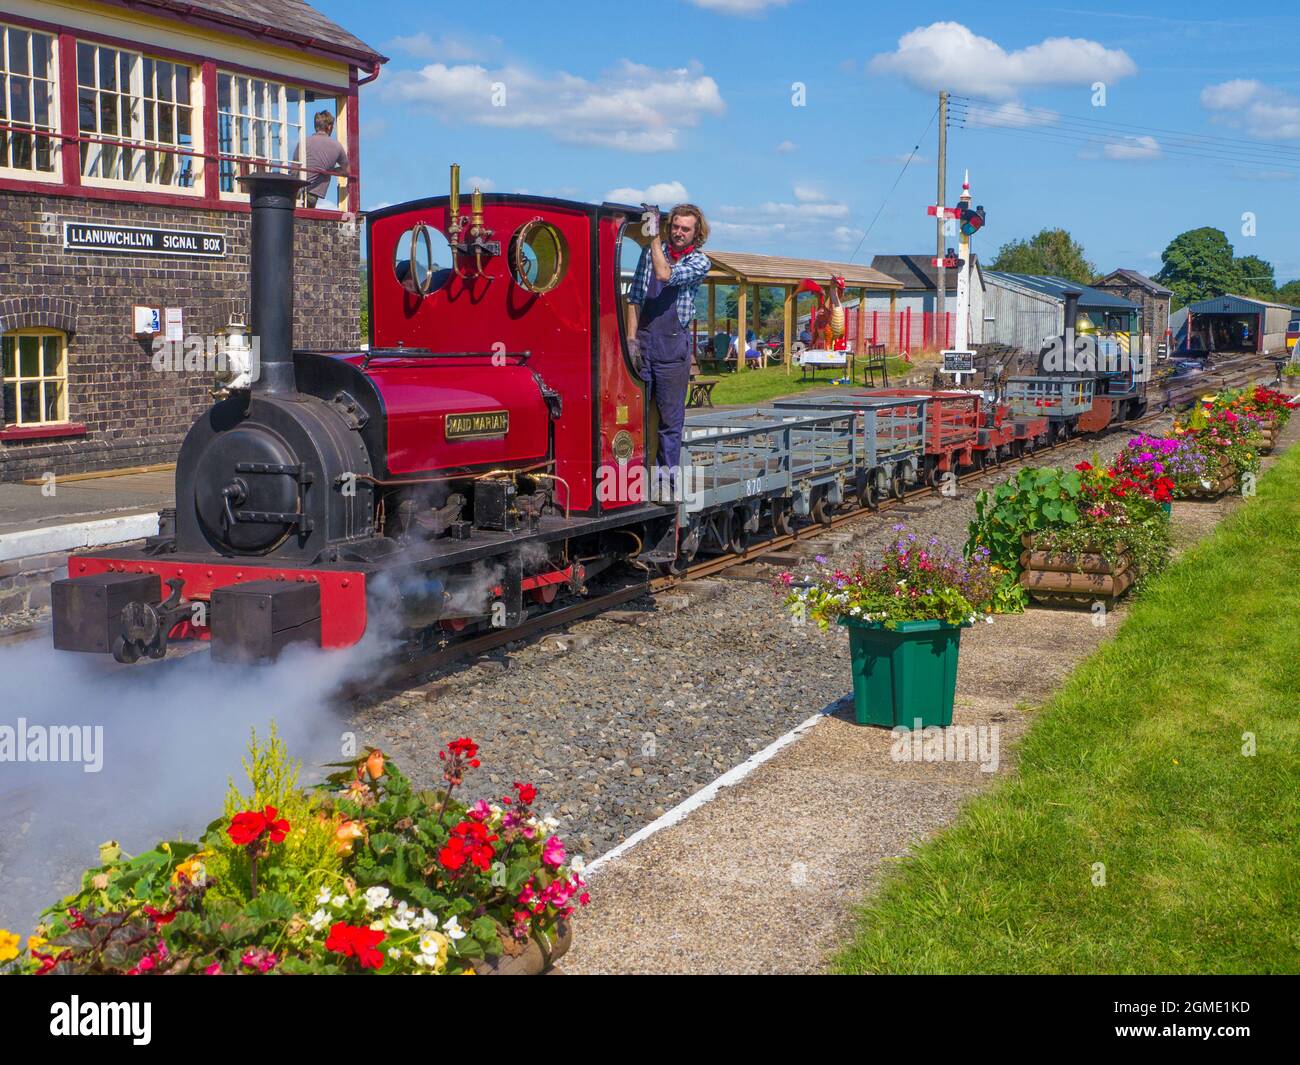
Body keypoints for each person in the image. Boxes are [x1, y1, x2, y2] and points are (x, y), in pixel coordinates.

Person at [625, 203, 711, 489]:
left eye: (685, 229)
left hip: (673, 349)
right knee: (635, 416)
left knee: (670, 422)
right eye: (674, 226)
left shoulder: (699, 262)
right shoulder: (649, 255)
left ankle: (665, 483)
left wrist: (652, 240)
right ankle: (632, 477)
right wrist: (631, 340)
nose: (678, 233)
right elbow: (635, 297)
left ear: (696, 234)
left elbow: (665, 275)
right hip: (645, 343)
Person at [302, 111, 348, 208]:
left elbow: (294, 168)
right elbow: (347, 170)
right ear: (329, 126)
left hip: (293, 190)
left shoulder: (304, 142)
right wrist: (329, 170)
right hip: (310, 194)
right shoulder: (336, 146)